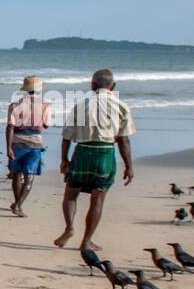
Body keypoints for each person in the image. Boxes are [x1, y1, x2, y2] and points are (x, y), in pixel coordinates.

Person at [54, 68, 134, 250]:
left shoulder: (82, 105)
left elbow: (66, 136)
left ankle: (69, 227)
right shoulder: (121, 106)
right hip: (105, 152)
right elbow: (124, 140)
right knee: (98, 199)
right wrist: (129, 166)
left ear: (92, 85)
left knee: (70, 194)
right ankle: (86, 241)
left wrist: (64, 159)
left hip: (82, 151)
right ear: (112, 86)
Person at [5, 75, 49, 217]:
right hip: (35, 144)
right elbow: (46, 124)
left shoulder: (15, 105)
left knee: (16, 175)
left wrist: (8, 147)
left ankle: (17, 203)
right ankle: (18, 205)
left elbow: (10, 127)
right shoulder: (44, 106)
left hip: (17, 143)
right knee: (29, 178)